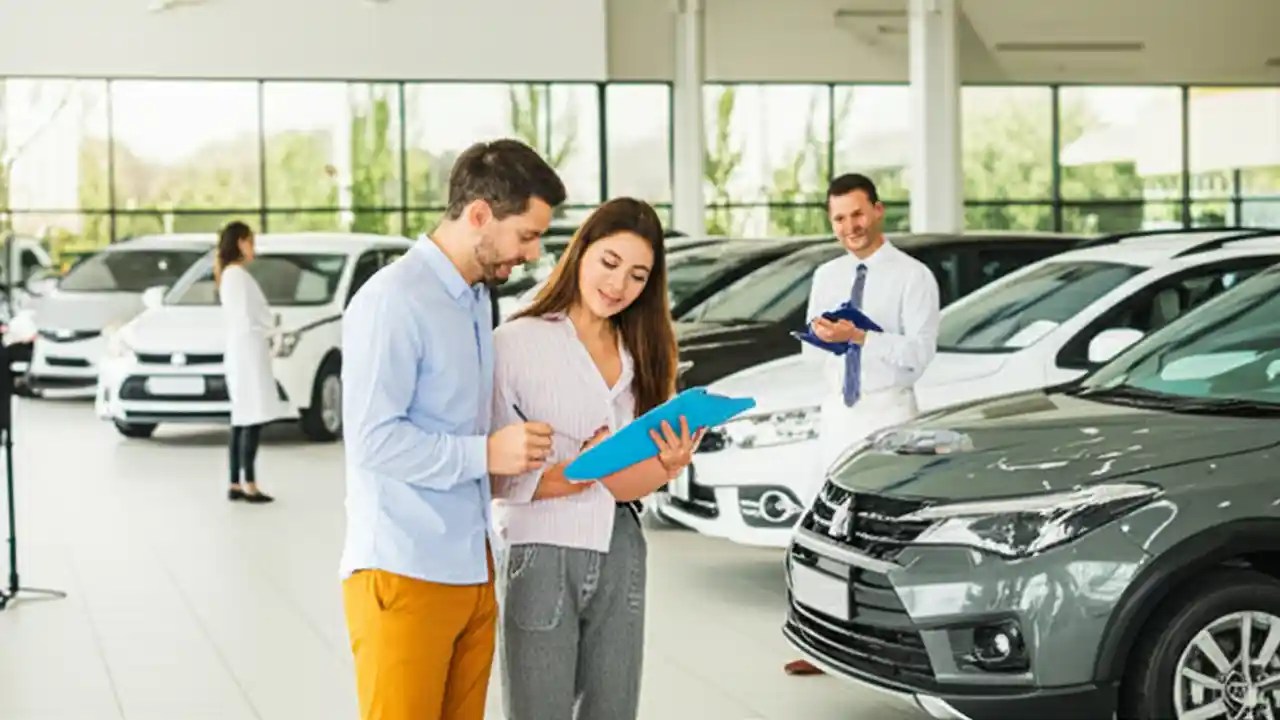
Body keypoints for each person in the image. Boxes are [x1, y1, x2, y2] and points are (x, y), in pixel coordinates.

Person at [338, 138, 567, 720]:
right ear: (480, 215)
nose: (534, 254)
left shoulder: (473, 300)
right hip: (404, 569)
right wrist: (486, 452)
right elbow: (373, 440)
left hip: (472, 567)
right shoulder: (392, 300)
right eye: (527, 235)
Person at [490, 197, 703, 720]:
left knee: (613, 711)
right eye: (609, 263)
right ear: (580, 252)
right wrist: (570, 473)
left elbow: (626, 489)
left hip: (621, 547)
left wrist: (668, 465)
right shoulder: (516, 341)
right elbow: (490, 473)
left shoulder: (645, 350)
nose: (618, 285)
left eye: (637, 275)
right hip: (540, 551)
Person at [782, 173, 941, 676]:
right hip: (838, 414)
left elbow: (918, 357)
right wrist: (826, 336)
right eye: (838, 219)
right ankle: (822, 645)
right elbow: (810, 351)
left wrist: (863, 337)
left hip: (888, 414)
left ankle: (888, 647)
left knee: (883, 538)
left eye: (856, 214)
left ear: (877, 210)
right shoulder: (827, 276)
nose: (849, 226)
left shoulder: (913, 276)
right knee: (824, 532)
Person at [215, 220, 285, 504]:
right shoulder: (238, 276)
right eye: (251, 241)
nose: (253, 248)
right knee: (251, 418)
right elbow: (253, 316)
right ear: (241, 242)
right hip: (249, 351)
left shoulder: (227, 275)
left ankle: (235, 482)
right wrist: (274, 329)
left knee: (241, 418)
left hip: (240, 349)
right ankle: (250, 485)